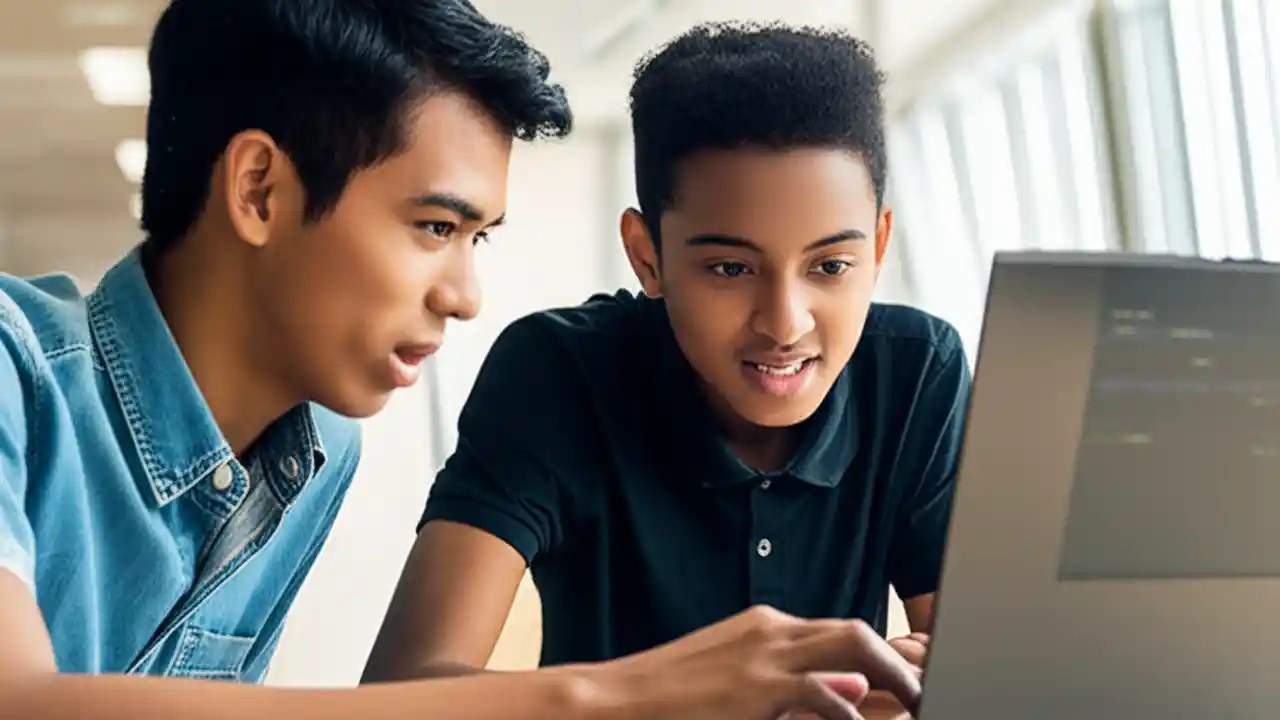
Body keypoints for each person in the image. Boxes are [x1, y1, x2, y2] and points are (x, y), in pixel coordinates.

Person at [0, 2, 920, 719]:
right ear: (260, 189)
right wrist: (636, 694)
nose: (463, 294)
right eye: (435, 227)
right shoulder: (13, 372)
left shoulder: (312, 448)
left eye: (476, 239)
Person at [364, 22, 967, 687]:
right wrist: (680, 691)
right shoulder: (557, 374)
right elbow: (400, 691)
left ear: (879, 248)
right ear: (647, 256)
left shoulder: (917, 374)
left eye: (831, 265)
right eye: (732, 269)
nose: (785, 323)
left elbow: (965, 674)